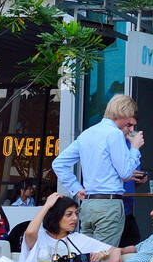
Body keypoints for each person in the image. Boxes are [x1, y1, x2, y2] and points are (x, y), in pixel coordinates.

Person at [51, 94, 143, 245]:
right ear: (124, 113)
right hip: (109, 204)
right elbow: (126, 173)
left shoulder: (87, 133)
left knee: (87, 256)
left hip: (88, 204)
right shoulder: (115, 134)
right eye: (129, 123)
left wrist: (75, 187)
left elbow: (59, 164)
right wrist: (134, 148)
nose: (131, 128)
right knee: (103, 257)